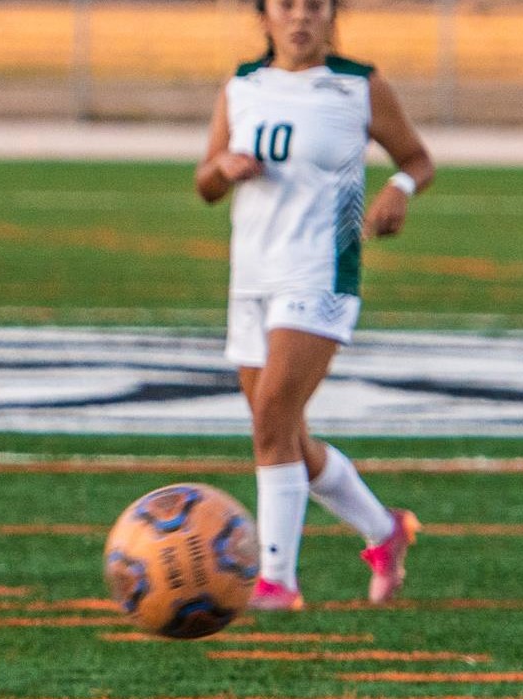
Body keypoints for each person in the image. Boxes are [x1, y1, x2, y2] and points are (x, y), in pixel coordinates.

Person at [195, 0, 433, 611]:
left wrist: (398, 191)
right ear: (265, 16)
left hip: (322, 272)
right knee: (282, 433)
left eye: (314, 6)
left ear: (332, 16)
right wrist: (222, 167)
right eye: (286, 5)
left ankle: (277, 582)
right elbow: (205, 183)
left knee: (273, 416)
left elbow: (417, 159)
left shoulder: (359, 85)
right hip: (252, 278)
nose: (300, 17)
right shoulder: (243, 86)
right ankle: (385, 532)